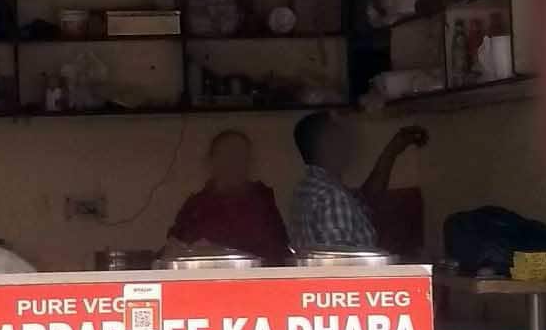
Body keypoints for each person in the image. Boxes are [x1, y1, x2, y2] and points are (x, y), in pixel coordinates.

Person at [291, 112, 428, 252]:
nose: (349, 145)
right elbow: (342, 262)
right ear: (327, 145)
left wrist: (391, 152)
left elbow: (366, 200)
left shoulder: (308, 187)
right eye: (340, 137)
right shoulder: (332, 196)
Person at [164, 129, 292, 266]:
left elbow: (278, 255)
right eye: (227, 156)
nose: (234, 164)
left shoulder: (262, 202)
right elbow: (174, 252)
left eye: (240, 157)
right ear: (212, 161)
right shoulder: (196, 207)